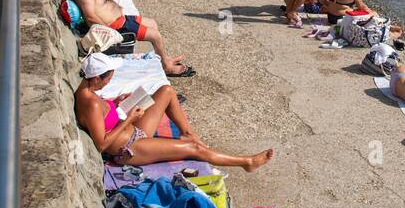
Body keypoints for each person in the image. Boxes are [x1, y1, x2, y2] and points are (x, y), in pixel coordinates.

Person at [75, 53, 271, 170]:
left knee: (166, 91)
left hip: (133, 133)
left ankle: (188, 134)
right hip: (128, 149)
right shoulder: (91, 103)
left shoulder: (87, 91)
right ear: (95, 78)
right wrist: (129, 120)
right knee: (196, 151)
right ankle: (247, 162)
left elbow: (102, 115)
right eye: (108, 77)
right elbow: (101, 144)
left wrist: (116, 101)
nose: (110, 80)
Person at [72, 0, 192, 77]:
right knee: (155, 36)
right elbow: (90, 16)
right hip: (116, 27)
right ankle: (166, 66)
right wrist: (110, 32)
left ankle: (162, 58)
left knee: (152, 23)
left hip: (122, 20)